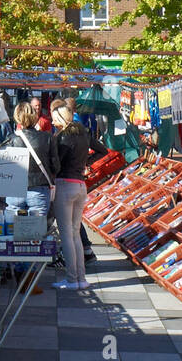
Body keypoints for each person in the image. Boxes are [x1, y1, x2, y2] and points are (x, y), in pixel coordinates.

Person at [51, 98, 108, 290]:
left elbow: (56, 164)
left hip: (65, 185)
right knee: (75, 233)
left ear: (60, 117)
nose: (52, 122)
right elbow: (103, 150)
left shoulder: (61, 137)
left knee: (67, 234)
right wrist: (86, 162)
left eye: (54, 118)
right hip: (80, 185)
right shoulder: (83, 132)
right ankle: (80, 278)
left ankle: (71, 278)